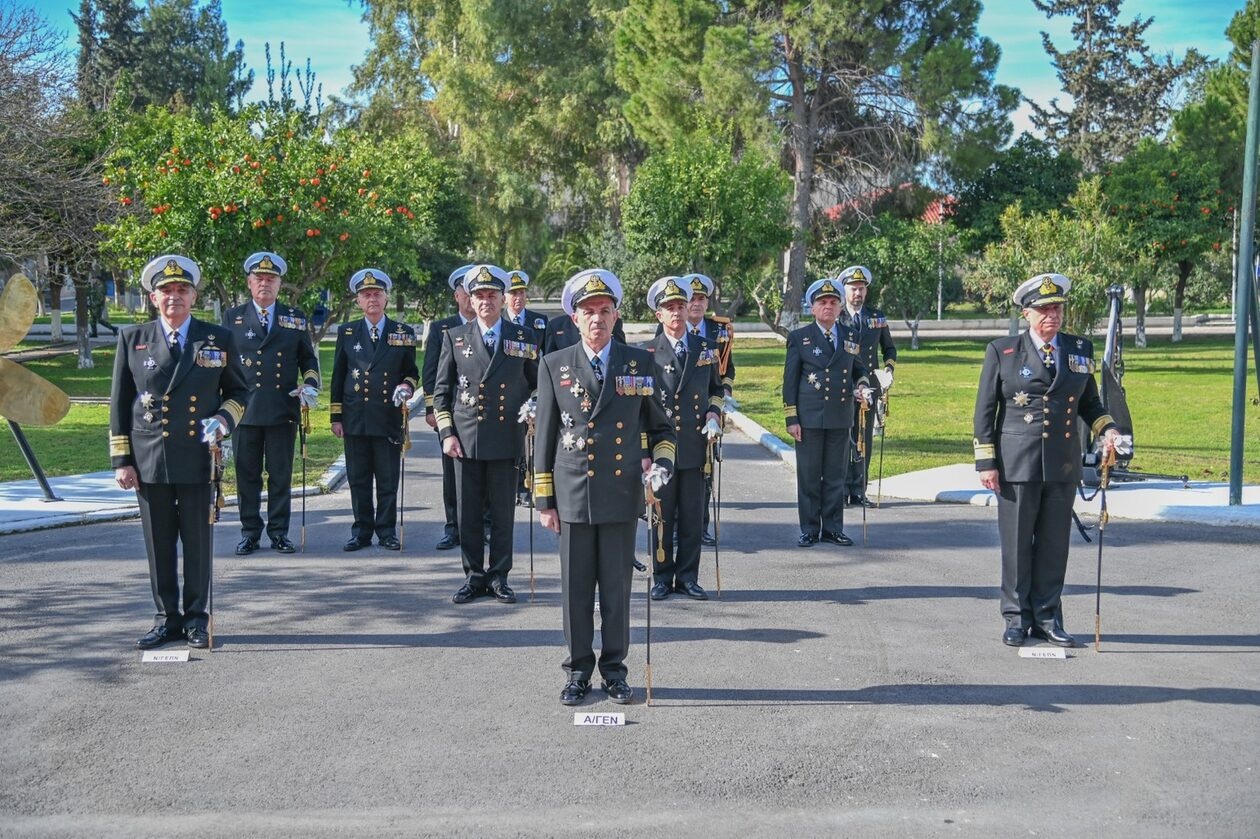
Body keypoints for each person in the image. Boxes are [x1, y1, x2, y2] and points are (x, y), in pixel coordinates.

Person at [535, 268, 674, 706]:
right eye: (588, 312)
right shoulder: (554, 364)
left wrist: (662, 466)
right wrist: (544, 498)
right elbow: (544, 435)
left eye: (604, 311)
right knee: (576, 594)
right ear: (574, 318)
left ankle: (614, 670)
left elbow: (662, 427)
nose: (596, 319)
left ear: (616, 317)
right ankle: (578, 671)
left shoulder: (640, 362)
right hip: (572, 494)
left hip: (619, 496)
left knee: (616, 592)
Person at [974, 273, 1126, 648]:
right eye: (1043, 310)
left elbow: (1090, 403)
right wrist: (986, 462)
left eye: (1056, 308)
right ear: (1027, 313)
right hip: (1016, 463)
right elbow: (985, 411)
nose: (1051, 316)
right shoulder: (1003, 351)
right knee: (1016, 544)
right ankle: (1015, 617)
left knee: (1055, 544)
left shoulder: (1078, 349)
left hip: (1061, 462)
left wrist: (1107, 429)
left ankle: (1047, 616)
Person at [110, 254, 249, 650]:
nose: (174, 297)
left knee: (197, 543)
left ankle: (195, 618)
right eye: (166, 291)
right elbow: (120, 403)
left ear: (194, 296)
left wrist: (224, 419)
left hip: (197, 457)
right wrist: (122, 460)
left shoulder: (217, 338)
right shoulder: (132, 339)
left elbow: (239, 391)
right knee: (158, 544)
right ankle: (165, 618)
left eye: (182, 290)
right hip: (149, 458)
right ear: (154, 298)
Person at [433, 265, 540, 604]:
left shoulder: (523, 338)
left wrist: (534, 407)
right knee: (468, 514)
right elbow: (441, 393)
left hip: (507, 438)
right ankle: (473, 576)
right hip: (466, 440)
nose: (486, 301)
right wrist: (447, 433)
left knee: (504, 514)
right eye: (479, 295)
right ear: (471, 299)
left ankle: (499, 576)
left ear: (503, 298)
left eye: (492, 295)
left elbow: (540, 385)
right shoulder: (455, 337)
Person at [223, 252, 320, 555]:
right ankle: (250, 532)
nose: (265, 283)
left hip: (281, 409)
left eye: (271, 279)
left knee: (280, 476)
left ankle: (279, 532)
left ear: (280, 284)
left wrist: (311, 384)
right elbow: (222, 363)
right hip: (244, 411)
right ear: (250, 283)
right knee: (247, 476)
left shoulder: (294, 318)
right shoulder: (232, 318)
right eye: (259, 279)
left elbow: (308, 358)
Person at [644, 276, 723, 601]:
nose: (676, 313)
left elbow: (717, 389)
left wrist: (715, 414)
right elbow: (638, 406)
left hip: (694, 446)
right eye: (669, 308)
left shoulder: (705, 349)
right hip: (662, 451)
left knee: (691, 516)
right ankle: (662, 577)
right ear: (658, 315)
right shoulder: (646, 353)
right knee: (662, 516)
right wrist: (643, 452)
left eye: (680, 306)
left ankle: (688, 577)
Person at [330, 269, 419, 551]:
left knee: (387, 478)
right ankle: (361, 531)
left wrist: (406, 387)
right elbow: (338, 376)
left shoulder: (402, 333)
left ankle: (387, 531)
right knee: (358, 479)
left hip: (387, 416)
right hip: (355, 416)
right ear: (358, 300)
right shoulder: (347, 333)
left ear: (386, 298)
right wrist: (336, 416)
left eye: (377, 294)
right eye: (366, 295)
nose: (372, 299)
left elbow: (412, 372)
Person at [783, 277, 873, 547]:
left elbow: (858, 369)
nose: (829, 307)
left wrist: (862, 386)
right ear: (813, 308)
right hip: (809, 418)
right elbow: (790, 380)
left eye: (834, 302)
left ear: (840, 307)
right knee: (810, 476)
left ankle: (833, 528)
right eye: (823, 303)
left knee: (835, 476)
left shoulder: (849, 336)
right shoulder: (800, 338)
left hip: (839, 415)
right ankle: (810, 528)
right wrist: (792, 418)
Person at [659, 272, 735, 545]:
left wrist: (717, 408)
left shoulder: (714, 336)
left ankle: (699, 527)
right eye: (690, 300)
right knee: (667, 490)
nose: (694, 305)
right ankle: (675, 533)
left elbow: (721, 377)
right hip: (667, 429)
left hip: (700, 423)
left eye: (701, 299)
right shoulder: (657, 344)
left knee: (701, 480)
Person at [423, 265, 475, 550]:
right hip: (451, 413)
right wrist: (432, 411)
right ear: (457, 296)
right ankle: (453, 527)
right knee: (452, 473)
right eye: (465, 293)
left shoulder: (493, 328)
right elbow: (430, 373)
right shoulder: (442, 328)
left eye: (474, 293)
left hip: (484, 415)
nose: (470, 298)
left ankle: (486, 524)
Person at [836, 265, 897, 508]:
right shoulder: (837, 317)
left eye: (861, 289)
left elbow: (889, 349)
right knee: (843, 438)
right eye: (853, 289)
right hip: (842, 386)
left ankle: (859, 490)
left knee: (864, 438)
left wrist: (888, 370)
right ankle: (840, 490)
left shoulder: (876, 317)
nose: (858, 293)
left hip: (870, 387)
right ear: (845, 291)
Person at [503, 269, 548, 506]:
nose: (518, 298)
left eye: (521, 293)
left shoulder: (539, 322)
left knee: (529, 442)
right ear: (505, 297)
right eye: (513, 293)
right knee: (511, 442)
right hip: (506, 393)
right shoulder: (500, 323)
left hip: (531, 391)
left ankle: (526, 485)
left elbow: (547, 357)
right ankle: (512, 483)